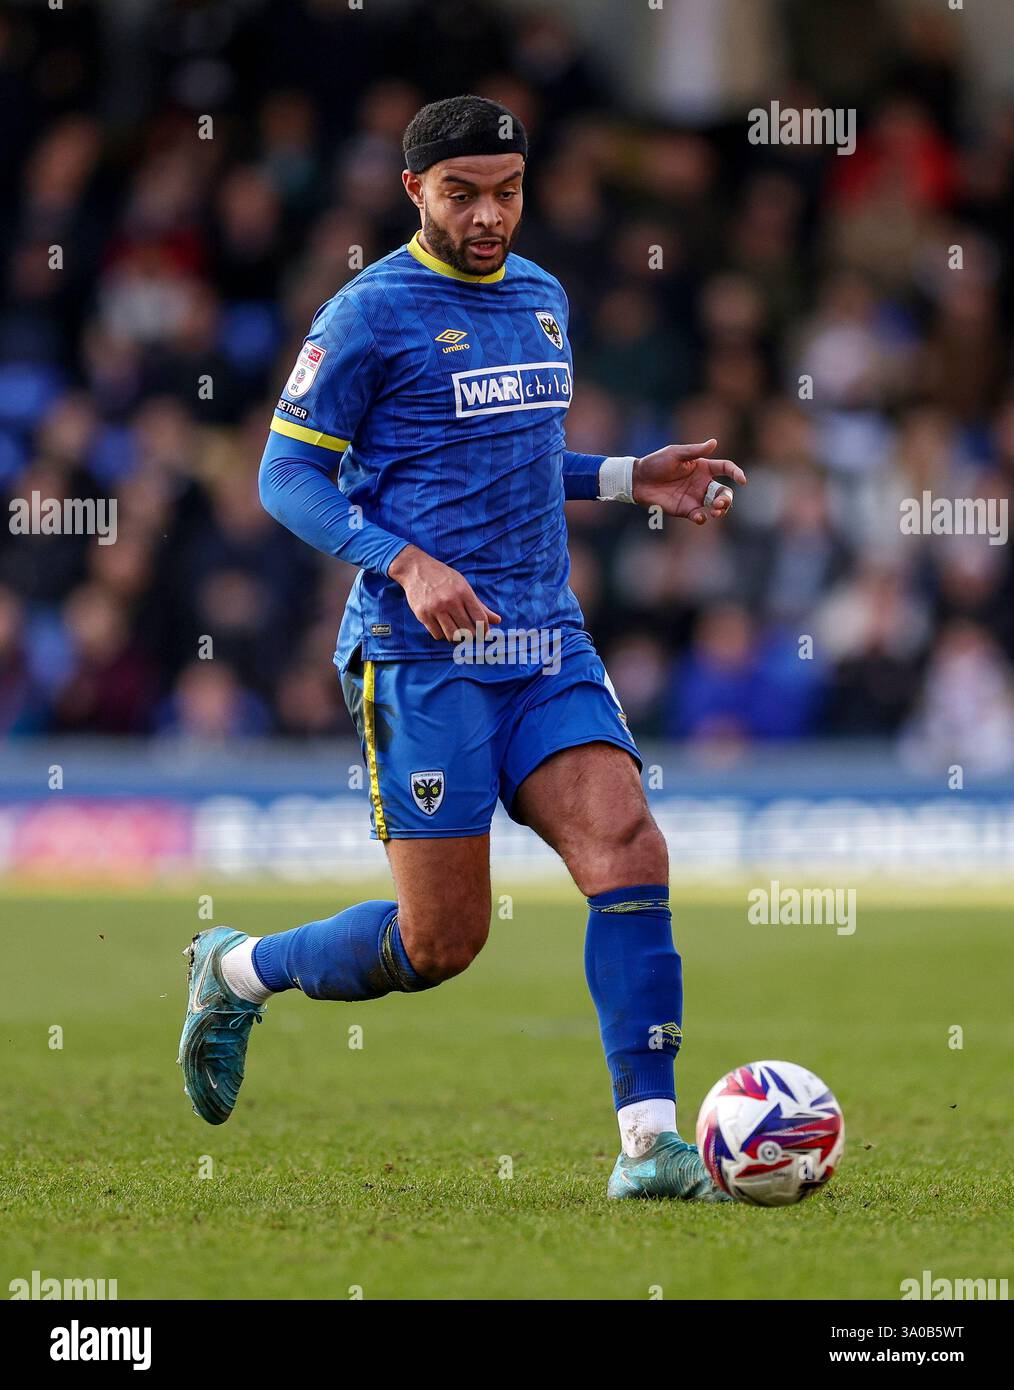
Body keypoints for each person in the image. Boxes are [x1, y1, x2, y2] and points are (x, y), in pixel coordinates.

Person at [177, 95, 744, 1201]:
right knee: (441, 943)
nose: (490, 216)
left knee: (629, 843)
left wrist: (632, 478)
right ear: (413, 194)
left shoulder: (542, 298)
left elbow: (520, 452)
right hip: (419, 652)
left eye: (509, 192)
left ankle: (649, 1145)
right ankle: (234, 969)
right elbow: (283, 477)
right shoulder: (366, 314)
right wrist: (404, 562)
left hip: (544, 639)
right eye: (463, 194)